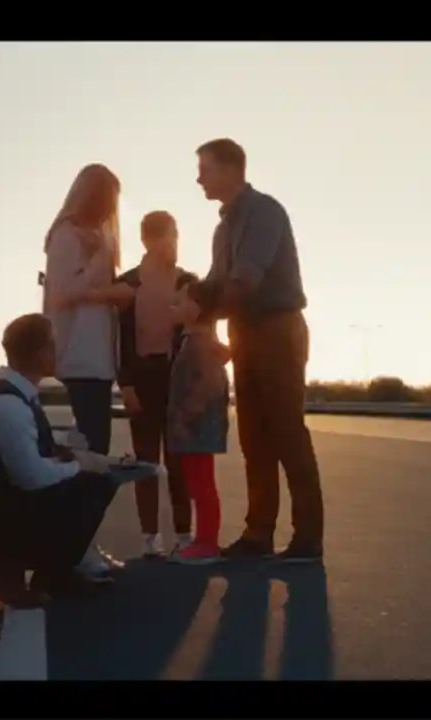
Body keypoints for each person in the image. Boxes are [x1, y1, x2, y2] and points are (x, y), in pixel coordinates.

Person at [194, 137, 324, 563]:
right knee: (253, 437)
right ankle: (258, 533)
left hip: (276, 328)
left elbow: (244, 279)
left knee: (287, 431)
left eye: (206, 168)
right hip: (244, 331)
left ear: (232, 169)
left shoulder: (264, 211)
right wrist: (195, 311)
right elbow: (215, 282)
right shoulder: (222, 227)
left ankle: (306, 537)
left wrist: (199, 317)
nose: (199, 178)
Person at [0, 313, 120, 600]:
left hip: (3, 508)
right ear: (40, 354)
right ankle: (21, 566)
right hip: (1, 518)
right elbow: (31, 478)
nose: (61, 352)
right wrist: (79, 465)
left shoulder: (15, 396)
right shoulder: (9, 406)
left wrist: (65, 449)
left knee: (92, 477)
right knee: (96, 484)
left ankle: (52, 568)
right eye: (55, 345)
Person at [41, 163, 134, 579]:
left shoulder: (102, 236)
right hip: (79, 356)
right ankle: (75, 547)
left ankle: (78, 543)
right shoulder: (66, 236)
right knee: (93, 456)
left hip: (98, 358)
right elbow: (61, 294)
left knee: (94, 453)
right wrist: (109, 293)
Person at [113, 211, 199, 559]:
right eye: (167, 236)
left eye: (176, 235)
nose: (173, 243)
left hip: (178, 376)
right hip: (142, 376)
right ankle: (149, 537)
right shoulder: (129, 283)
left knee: (180, 460)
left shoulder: (188, 282)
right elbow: (118, 340)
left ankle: (183, 533)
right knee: (147, 462)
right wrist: (126, 384)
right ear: (148, 240)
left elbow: (201, 331)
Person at [164, 280, 231, 565]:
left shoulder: (200, 345)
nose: (173, 307)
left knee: (202, 485)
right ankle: (204, 540)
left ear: (196, 308)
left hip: (197, 428)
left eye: (179, 302)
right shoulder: (197, 342)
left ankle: (207, 543)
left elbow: (207, 384)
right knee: (198, 483)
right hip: (195, 428)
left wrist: (186, 417)